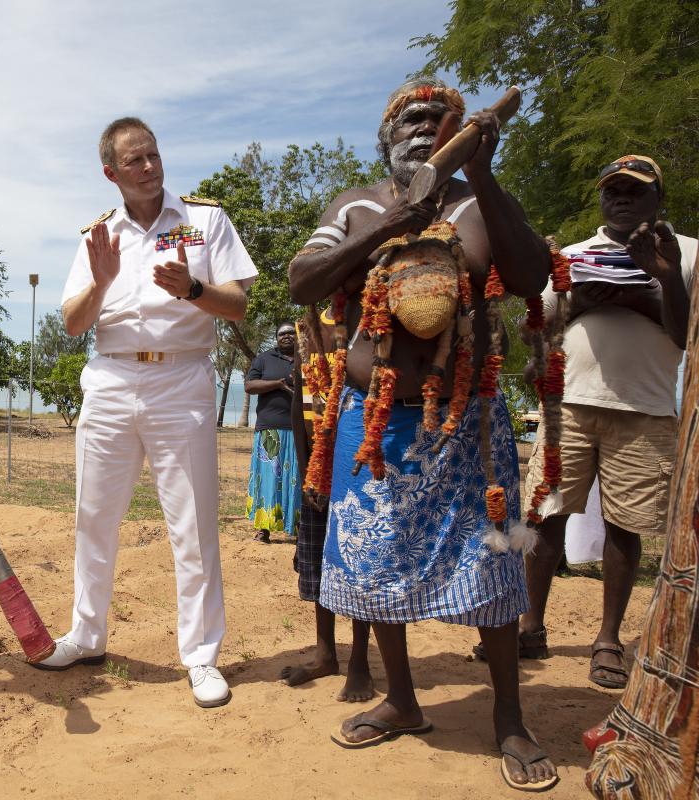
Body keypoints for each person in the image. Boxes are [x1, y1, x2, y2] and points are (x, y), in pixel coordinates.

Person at [288, 78, 557, 790]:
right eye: (411, 116)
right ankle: (403, 700)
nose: (426, 125)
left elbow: (531, 275)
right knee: (374, 567)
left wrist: (485, 176)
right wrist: (390, 223)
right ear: (386, 135)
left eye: (442, 119)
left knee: (494, 563)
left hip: (468, 426)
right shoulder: (354, 205)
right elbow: (302, 281)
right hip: (370, 424)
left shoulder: (476, 205)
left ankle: (508, 718)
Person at [35, 117, 257, 709]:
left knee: (193, 524)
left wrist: (192, 290)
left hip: (181, 379)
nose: (150, 167)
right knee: (93, 516)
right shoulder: (97, 238)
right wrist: (102, 282)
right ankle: (86, 635)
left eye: (154, 155)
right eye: (134, 161)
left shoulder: (204, 220)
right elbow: (74, 323)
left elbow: (236, 305)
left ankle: (202, 656)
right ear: (111, 172)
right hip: (109, 379)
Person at [516, 156, 695, 690]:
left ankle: (608, 641)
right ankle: (530, 625)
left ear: (657, 198)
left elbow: (688, 335)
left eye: (634, 191)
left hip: (646, 408)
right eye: (613, 190)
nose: (621, 198)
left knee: (624, 526)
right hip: (567, 403)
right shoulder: (570, 256)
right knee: (547, 516)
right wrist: (578, 304)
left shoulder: (688, 253)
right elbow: (537, 331)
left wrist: (655, 281)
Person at [279, 312, 374, 703]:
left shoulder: (369, 325)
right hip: (318, 470)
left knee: (360, 564)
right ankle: (325, 655)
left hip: (362, 466)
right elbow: (298, 411)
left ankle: (360, 664)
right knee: (317, 563)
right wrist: (307, 472)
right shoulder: (309, 333)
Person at [243, 322, 297, 544]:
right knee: (268, 477)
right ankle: (263, 529)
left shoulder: (307, 358)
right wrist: (278, 384)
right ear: (276, 338)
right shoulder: (264, 359)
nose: (286, 336)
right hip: (270, 428)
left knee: (296, 478)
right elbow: (249, 385)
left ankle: (297, 526)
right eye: (281, 333)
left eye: (290, 333)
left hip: (298, 429)